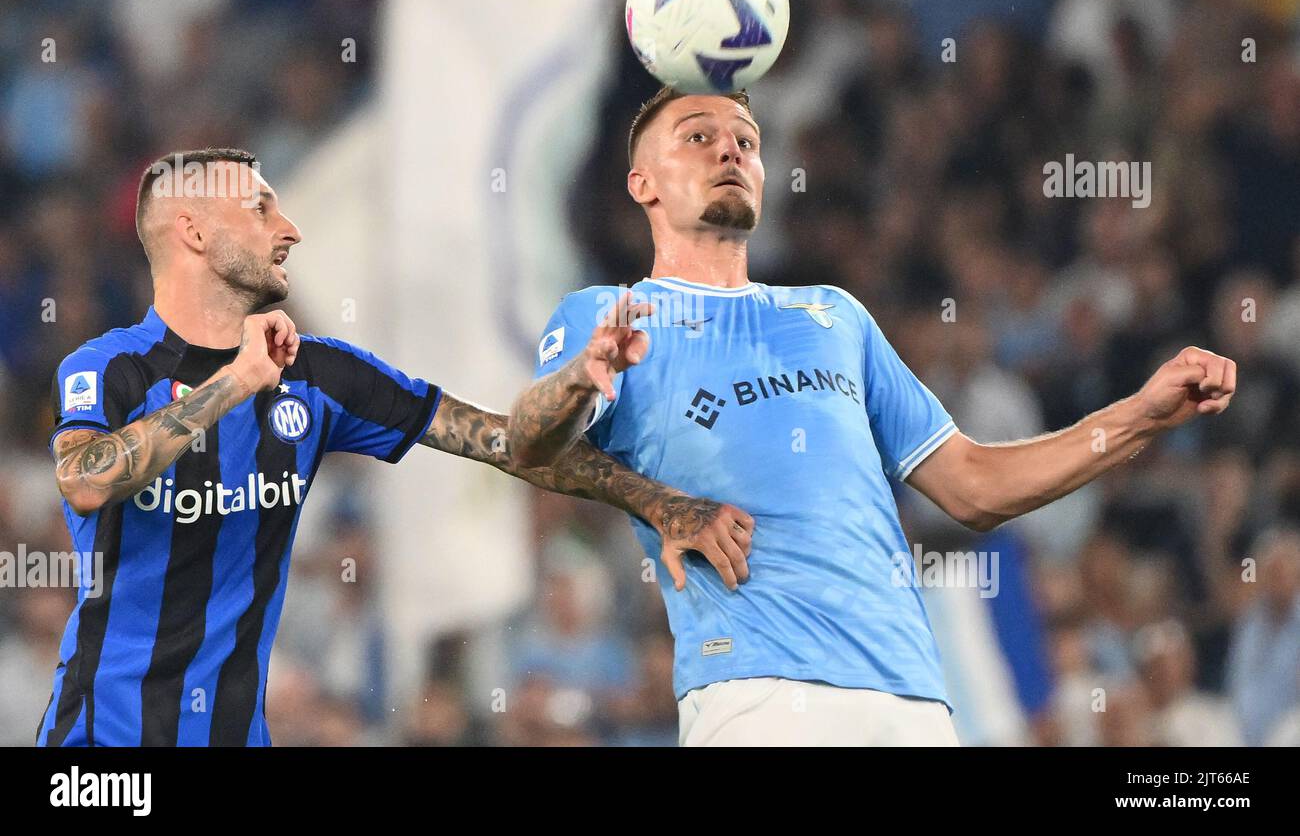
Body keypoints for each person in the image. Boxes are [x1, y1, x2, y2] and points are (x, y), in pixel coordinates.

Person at [507, 87, 1238, 746]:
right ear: (642, 184)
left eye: (747, 140)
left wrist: (1141, 415)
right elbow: (528, 443)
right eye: (697, 136)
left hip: (913, 699)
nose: (730, 147)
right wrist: (578, 380)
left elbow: (974, 486)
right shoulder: (611, 315)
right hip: (759, 699)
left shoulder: (835, 317)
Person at [40, 147, 753, 747]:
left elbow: (507, 444)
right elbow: (86, 479)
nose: (289, 228)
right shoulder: (109, 369)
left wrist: (657, 498)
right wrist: (233, 385)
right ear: (193, 232)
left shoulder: (319, 376)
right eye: (260, 209)